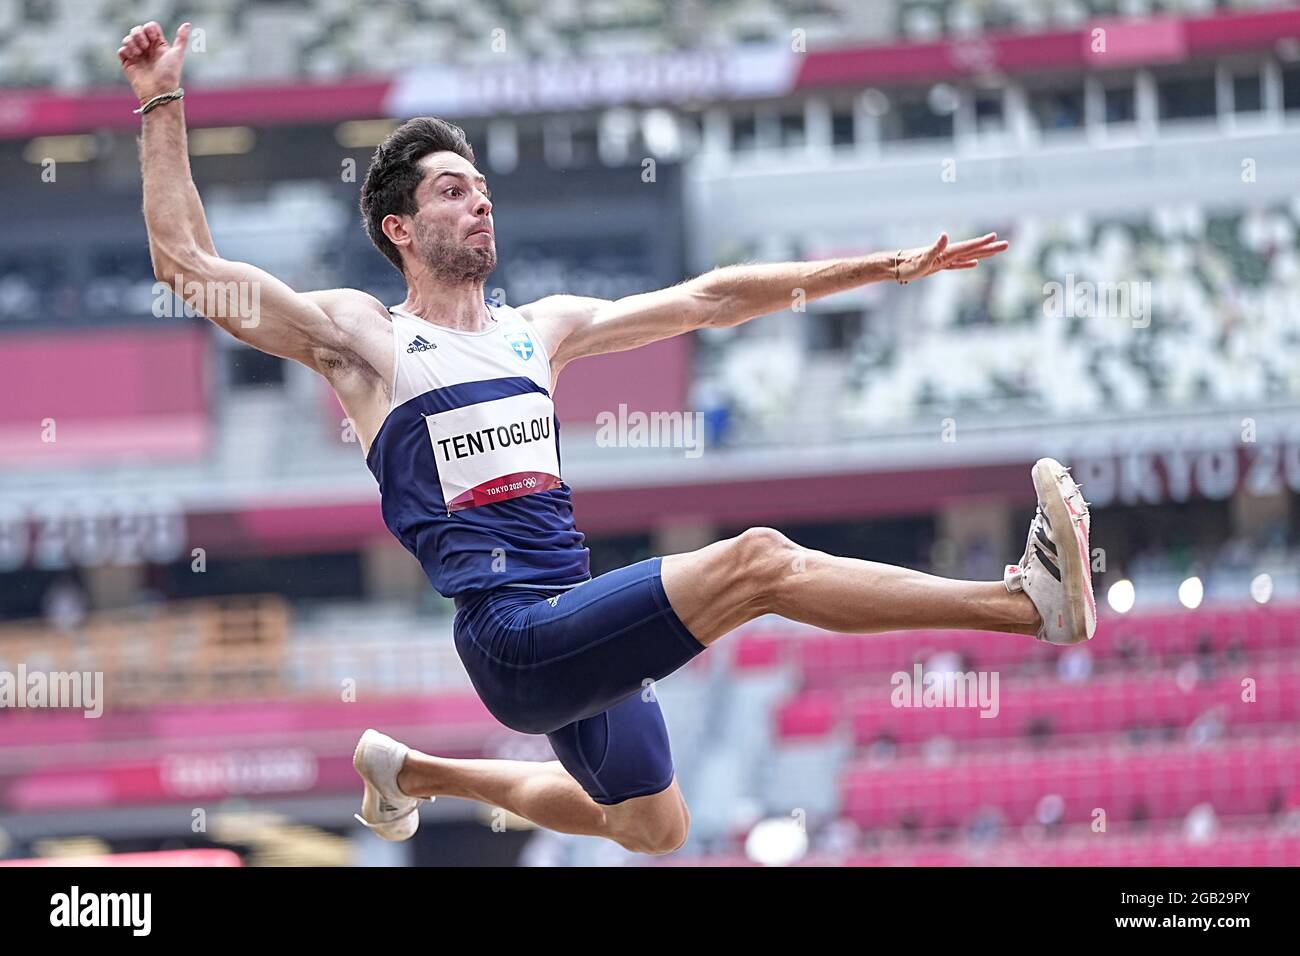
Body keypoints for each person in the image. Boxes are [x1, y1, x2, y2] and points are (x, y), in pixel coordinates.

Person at [119, 21, 1097, 857]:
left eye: (480, 187)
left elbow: (711, 297)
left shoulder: (537, 327)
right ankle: (1022, 606)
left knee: (652, 823)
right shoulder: (365, 339)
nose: (480, 201)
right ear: (400, 228)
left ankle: (414, 768)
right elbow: (190, 265)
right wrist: (163, 107)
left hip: (574, 619)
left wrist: (884, 266)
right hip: (513, 635)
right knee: (756, 560)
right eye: (453, 191)